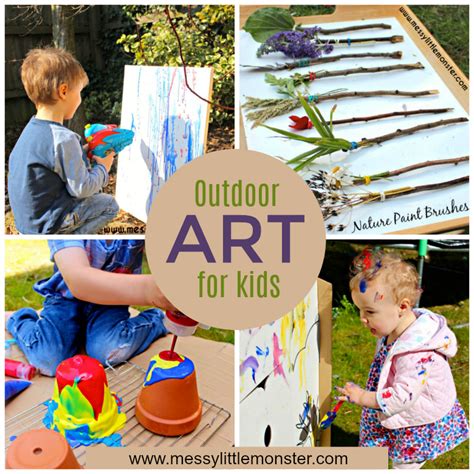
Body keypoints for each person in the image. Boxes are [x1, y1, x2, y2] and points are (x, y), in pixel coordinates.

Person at [337, 249, 469, 469]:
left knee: (404, 465)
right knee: (375, 449)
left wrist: (362, 397)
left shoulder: (416, 354)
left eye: (369, 311)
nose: (362, 319)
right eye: (360, 310)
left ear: (403, 307)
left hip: (417, 419)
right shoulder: (392, 329)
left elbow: (401, 397)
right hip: (394, 406)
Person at [6, 240, 177, 376]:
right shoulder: (67, 226)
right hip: (66, 298)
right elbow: (78, 279)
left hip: (110, 302)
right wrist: (150, 291)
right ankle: (19, 319)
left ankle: (156, 320)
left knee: (108, 351)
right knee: (48, 359)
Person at [8, 47, 118, 234]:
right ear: (64, 91)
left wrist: (84, 150)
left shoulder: (32, 130)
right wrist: (103, 167)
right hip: (49, 224)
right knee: (109, 205)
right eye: (80, 92)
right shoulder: (63, 139)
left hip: (28, 223)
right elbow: (82, 188)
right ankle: (71, 237)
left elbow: (54, 162)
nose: (80, 99)